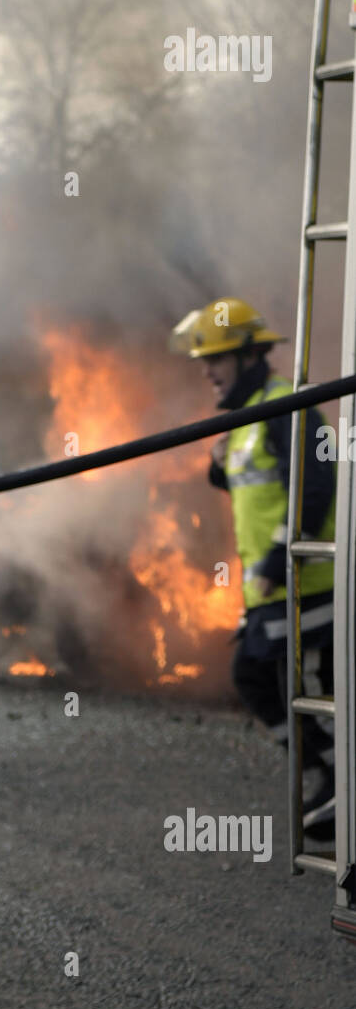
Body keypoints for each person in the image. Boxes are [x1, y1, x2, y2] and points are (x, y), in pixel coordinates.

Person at [170, 298, 336, 852]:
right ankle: (325, 773)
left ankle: (334, 777)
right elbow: (253, 482)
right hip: (278, 589)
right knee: (260, 676)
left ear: (248, 356)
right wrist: (219, 470)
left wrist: (274, 558)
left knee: (296, 680)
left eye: (215, 359)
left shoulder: (290, 406)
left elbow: (314, 486)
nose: (207, 372)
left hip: (309, 583)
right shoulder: (251, 417)